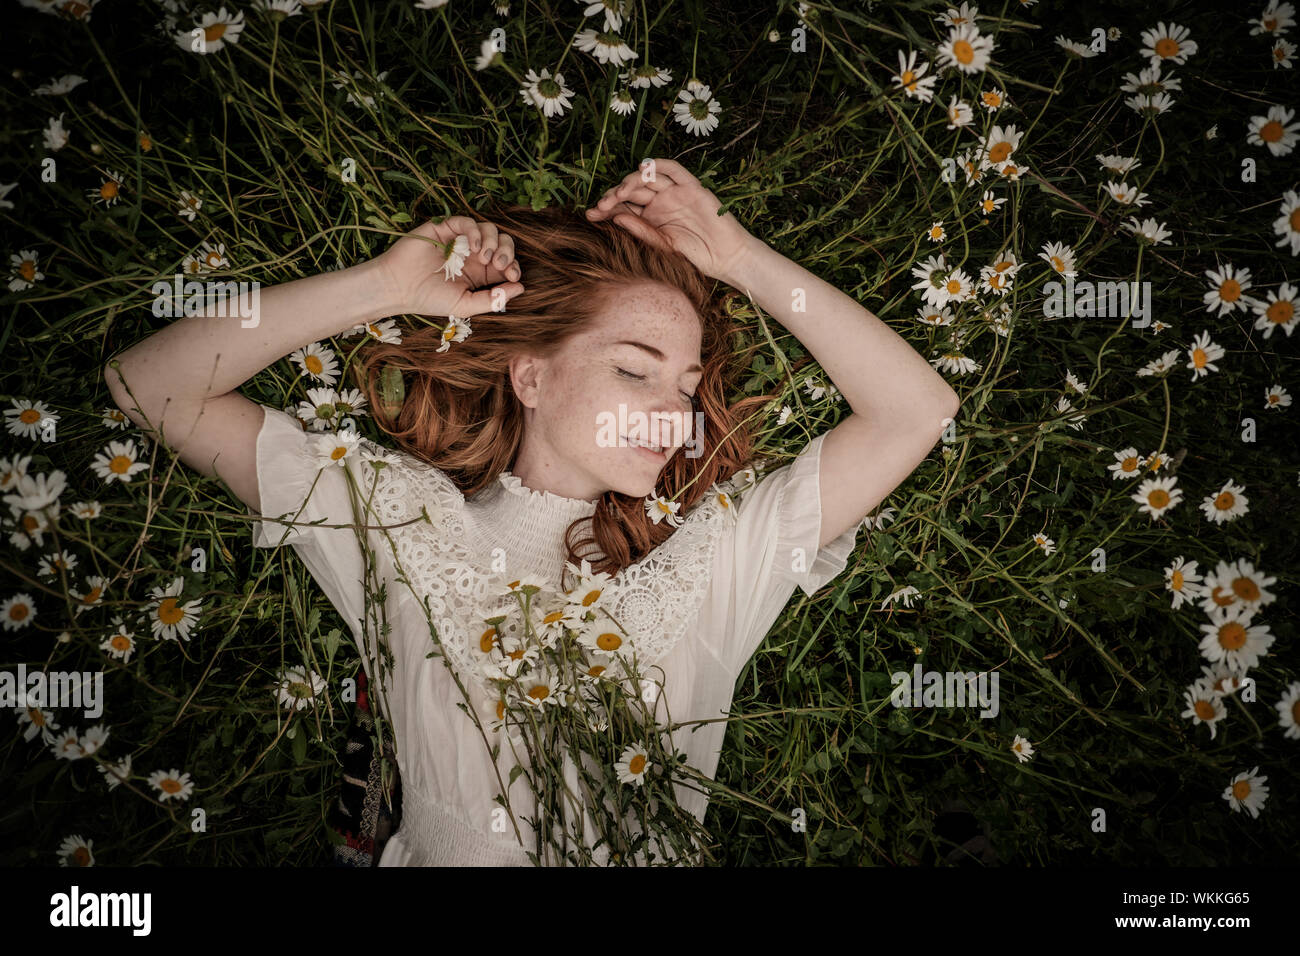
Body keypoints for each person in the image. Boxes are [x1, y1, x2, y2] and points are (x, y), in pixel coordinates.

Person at [105, 157, 960, 865]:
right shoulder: (396, 519)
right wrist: (383, 285)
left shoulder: (713, 560)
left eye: (687, 388)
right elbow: (149, 385)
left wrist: (736, 254)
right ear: (532, 375)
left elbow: (917, 411)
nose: (672, 414)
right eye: (634, 369)